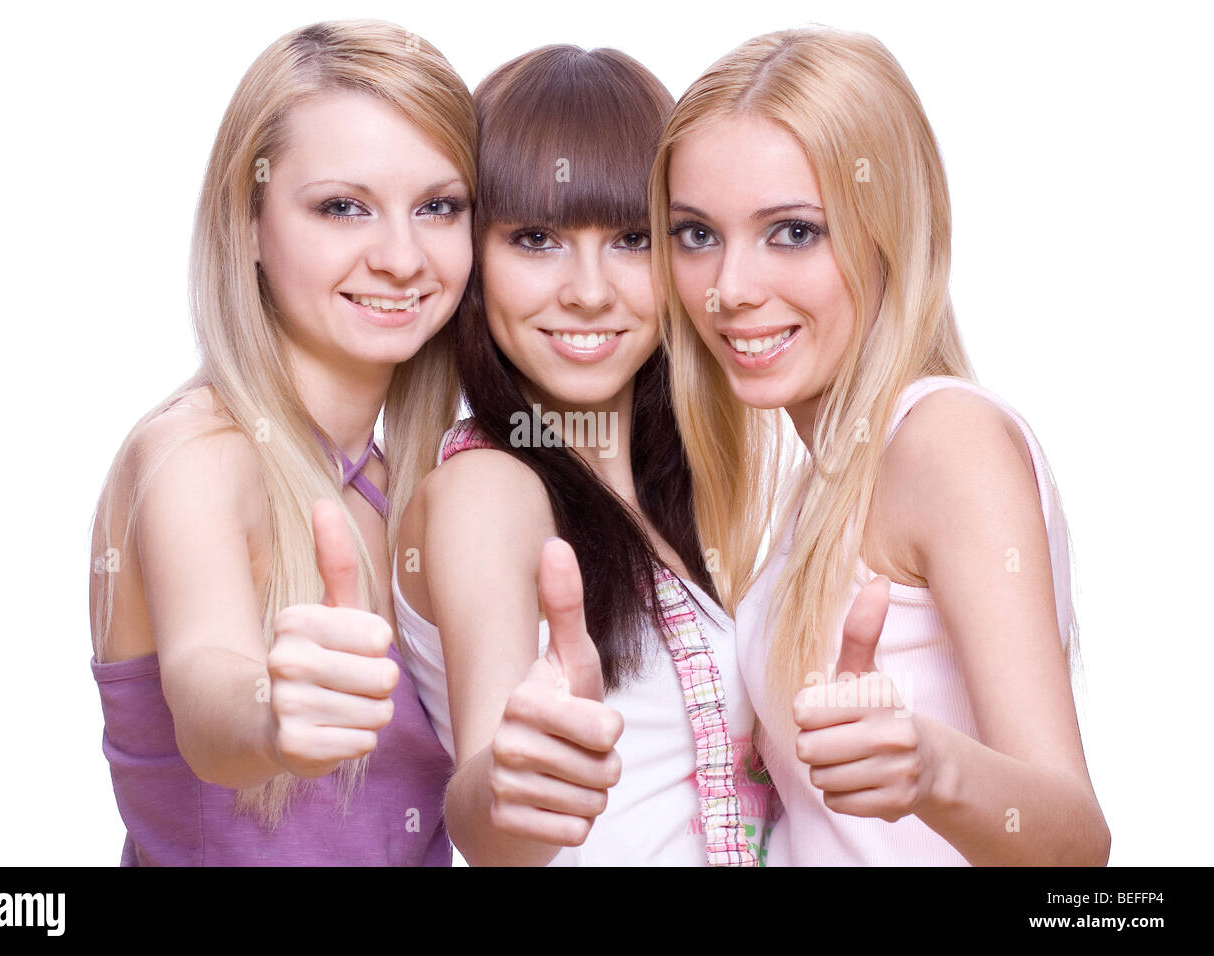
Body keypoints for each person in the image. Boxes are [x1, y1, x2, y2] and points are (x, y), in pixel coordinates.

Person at [651, 27, 1110, 865]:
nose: (730, 290)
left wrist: (932, 768)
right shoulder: (816, 483)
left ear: (888, 229)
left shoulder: (942, 439)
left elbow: (1075, 842)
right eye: (696, 234)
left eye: (792, 232)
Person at [87, 19, 475, 865]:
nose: (403, 257)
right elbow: (208, 692)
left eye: (439, 207)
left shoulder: (411, 483)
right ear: (250, 222)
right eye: (343, 207)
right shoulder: (196, 456)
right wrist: (270, 712)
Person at [392, 45, 776, 866]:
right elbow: (486, 810)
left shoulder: (687, 488)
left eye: (634, 238)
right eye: (536, 238)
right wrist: (514, 777)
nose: (590, 290)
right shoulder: (489, 488)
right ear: (472, 259)